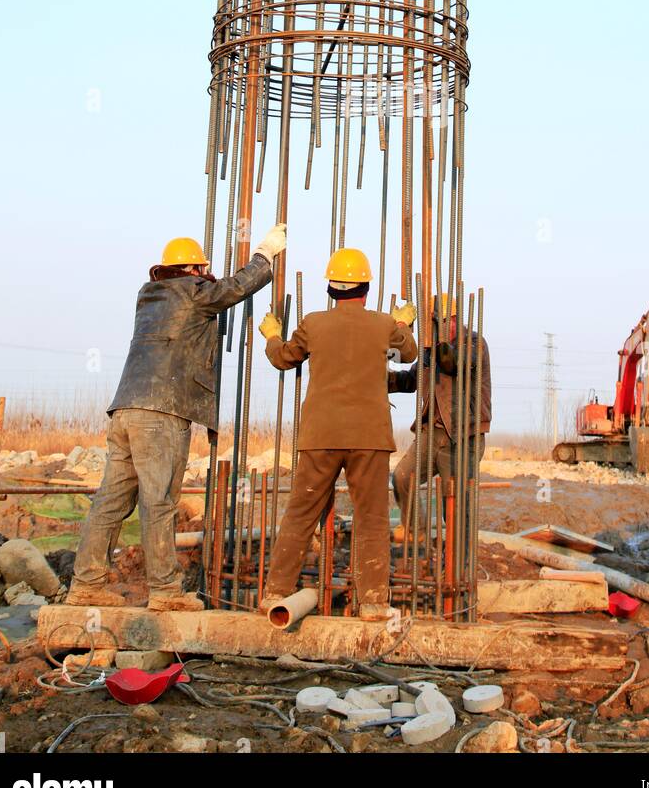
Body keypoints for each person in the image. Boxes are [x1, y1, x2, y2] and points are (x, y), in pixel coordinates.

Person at [67, 225, 287, 610]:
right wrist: (265, 255)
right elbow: (234, 289)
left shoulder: (149, 297)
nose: (206, 275)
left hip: (125, 409)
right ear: (192, 270)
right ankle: (165, 591)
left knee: (111, 501)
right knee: (160, 501)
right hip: (160, 412)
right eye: (202, 270)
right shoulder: (192, 294)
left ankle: (86, 583)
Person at [258, 248, 417, 620]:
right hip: (370, 438)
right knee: (373, 520)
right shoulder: (383, 325)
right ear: (365, 288)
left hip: (321, 436)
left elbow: (283, 358)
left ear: (332, 289)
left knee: (300, 515)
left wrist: (272, 334)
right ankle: (374, 602)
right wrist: (402, 323)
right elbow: (408, 353)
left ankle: (275, 593)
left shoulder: (313, 323)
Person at [391, 294, 492, 534]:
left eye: (444, 321)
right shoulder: (430, 348)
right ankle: (420, 538)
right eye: (435, 322)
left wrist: (435, 349)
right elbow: (410, 381)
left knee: (455, 501)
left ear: (455, 319)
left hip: (462, 435)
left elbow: (454, 363)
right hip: (431, 433)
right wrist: (381, 377)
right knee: (403, 479)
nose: (440, 327)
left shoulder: (474, 343)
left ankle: (460, 561)